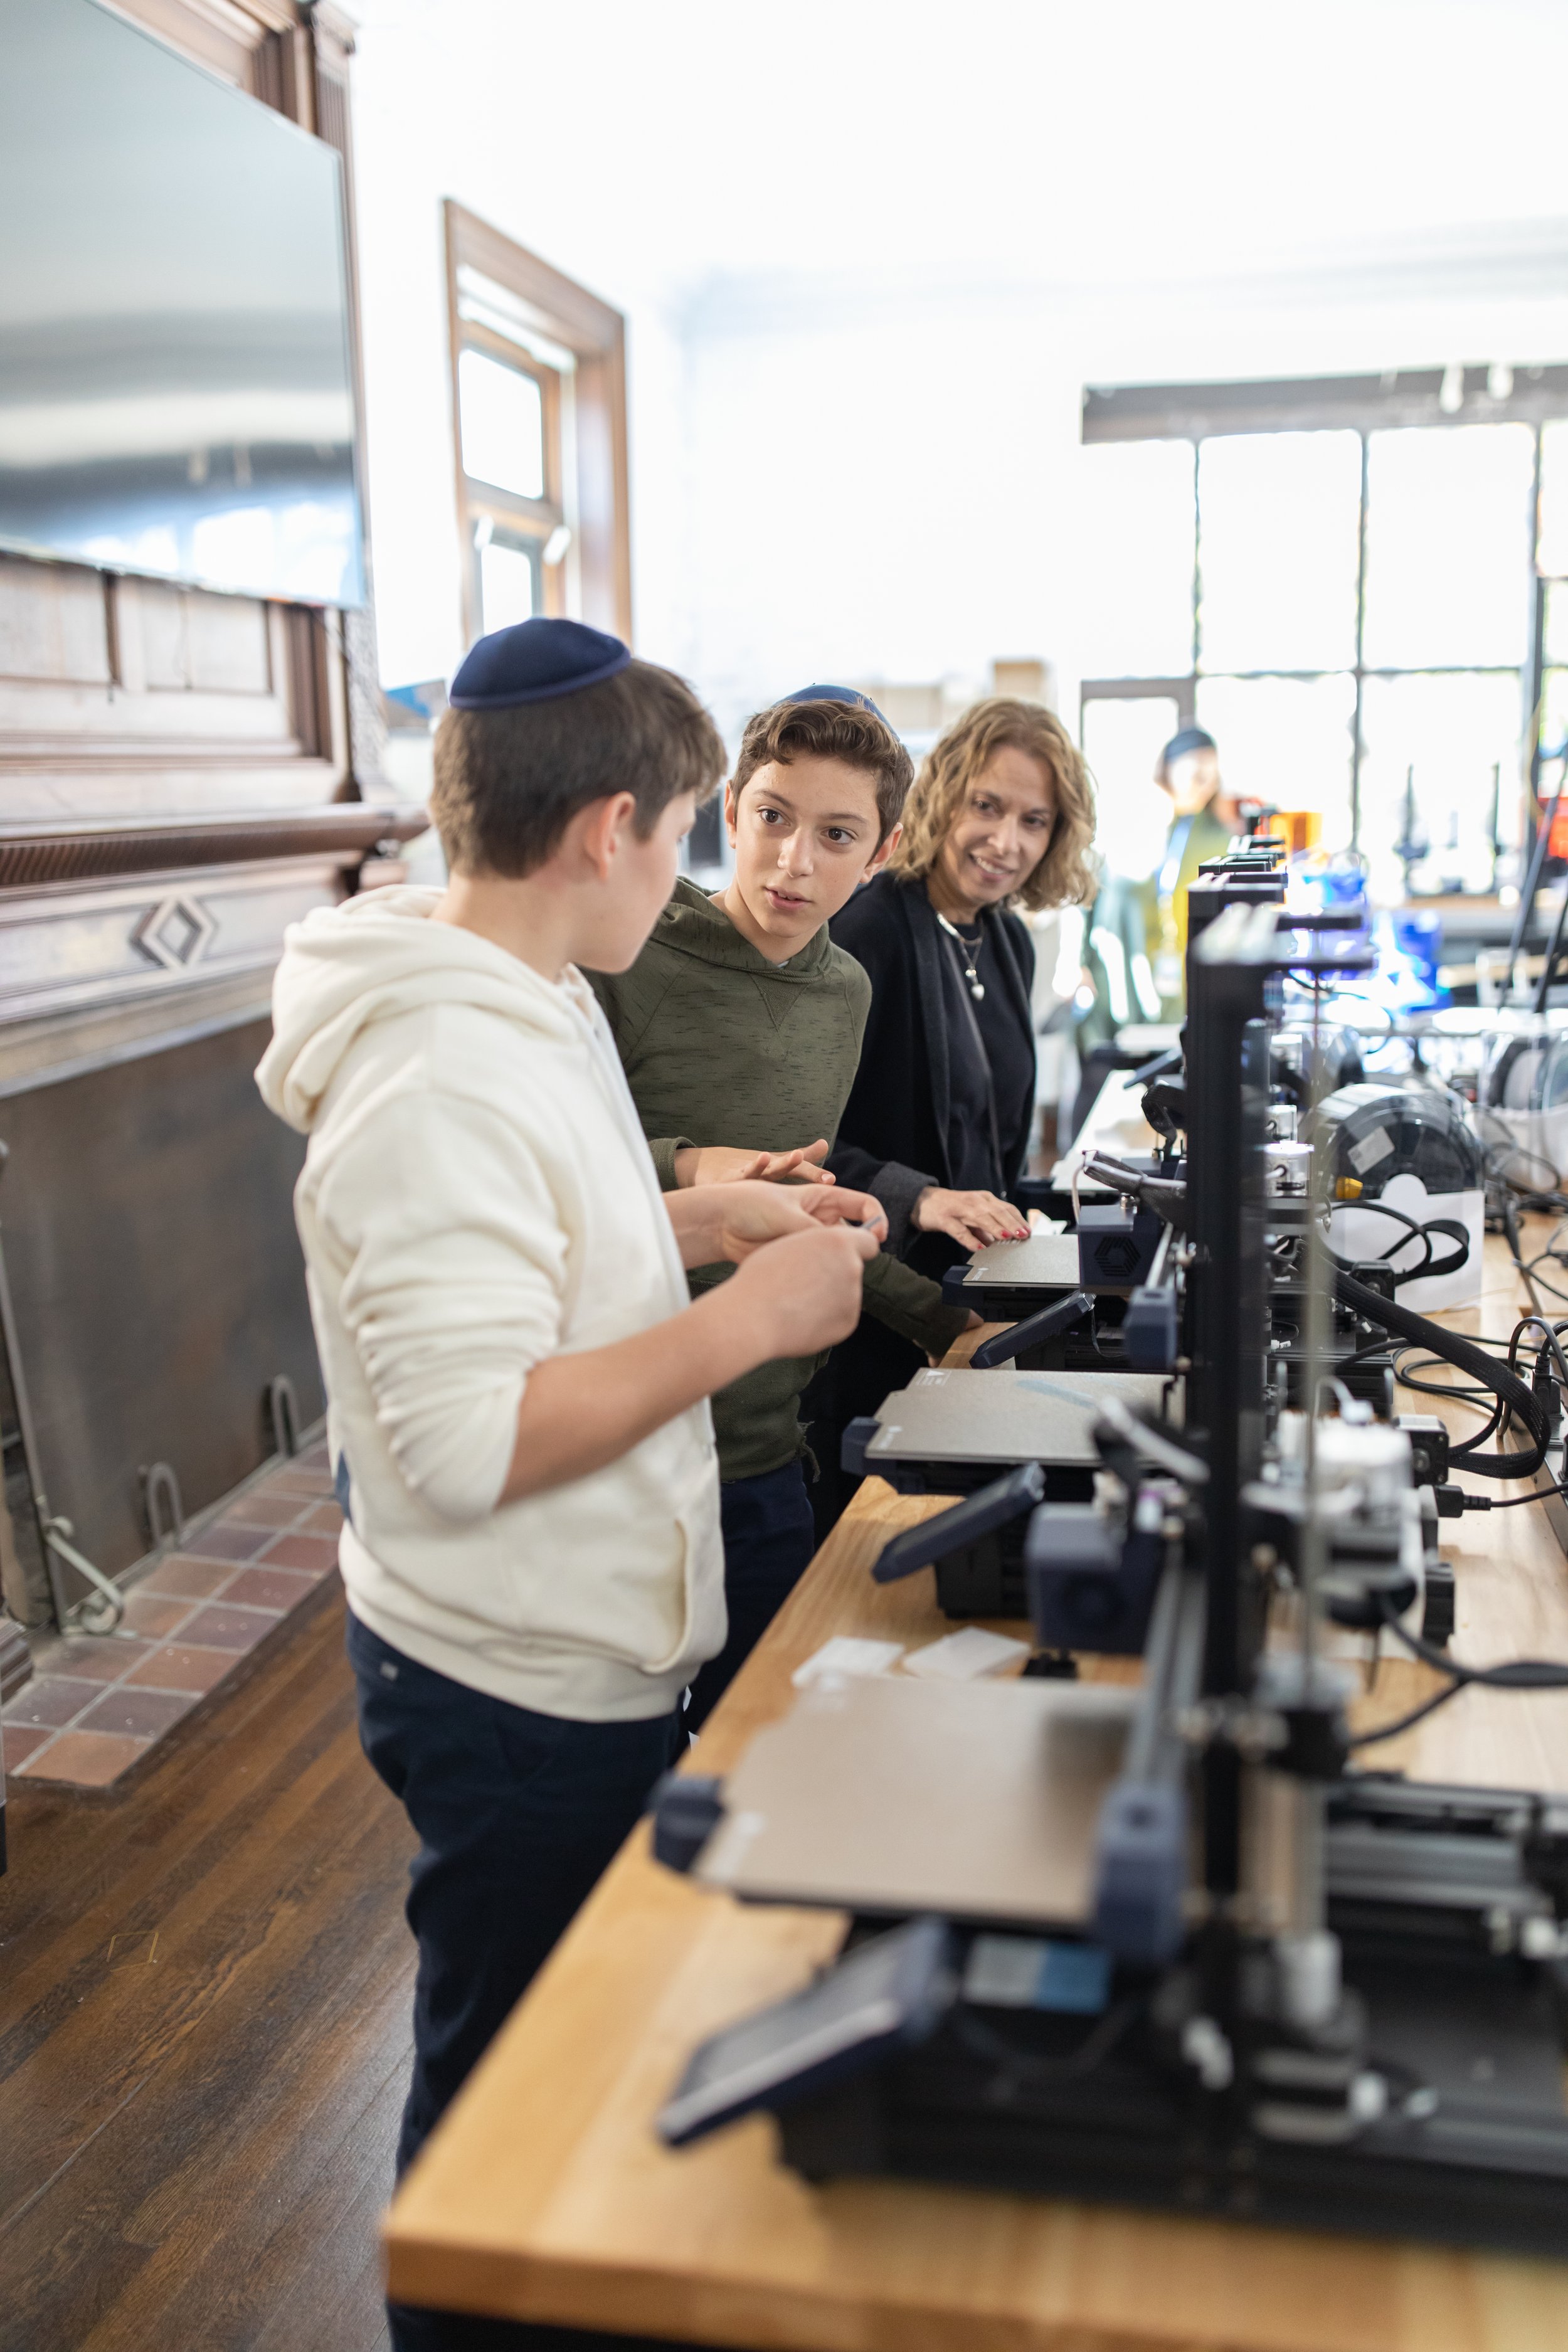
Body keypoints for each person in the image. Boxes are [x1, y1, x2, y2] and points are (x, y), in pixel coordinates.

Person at [255, 618, 884, 2352]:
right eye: (690, 828)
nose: (692, 868)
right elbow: (467, 1439)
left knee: (561, 2042)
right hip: (506, 1675)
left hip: (581, 1636)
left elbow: (558, 1250)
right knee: (498, 2097)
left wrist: (703, 1219)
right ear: (610, 826)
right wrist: (747, 1318)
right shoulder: (432, 1068)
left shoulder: (533, 990)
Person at [588, 687, 972, 1727]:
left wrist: (953, 1325)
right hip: (621, 1448)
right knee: (618, 1780)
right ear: (728, 811)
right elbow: (561, 1182)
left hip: (765, 1452)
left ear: (882, 850)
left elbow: (803, 1207)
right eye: (773, 818)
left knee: (754, 1743)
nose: (795, 861)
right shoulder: (626, 957)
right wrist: (698, 1164)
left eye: (836, 835)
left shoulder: (845, 992)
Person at [807, 696, 1097, 1529]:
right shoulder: (872, 929)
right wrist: (924, 1197)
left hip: (970, 1309)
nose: (1006, 841)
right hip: (877, 1312)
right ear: (941, 798)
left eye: (1034, 820)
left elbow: (986, 1146)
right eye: (987, 806)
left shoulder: (1002, 938)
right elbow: (806, 1144)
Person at [1148, 724, 1236, 1012]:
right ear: (1169, 768)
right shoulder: (1145, 828)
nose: (1205, 781)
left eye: (1211, 773)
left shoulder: (1219, 837)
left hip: (1189, 983)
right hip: (1128, 976)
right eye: (1196, 769)